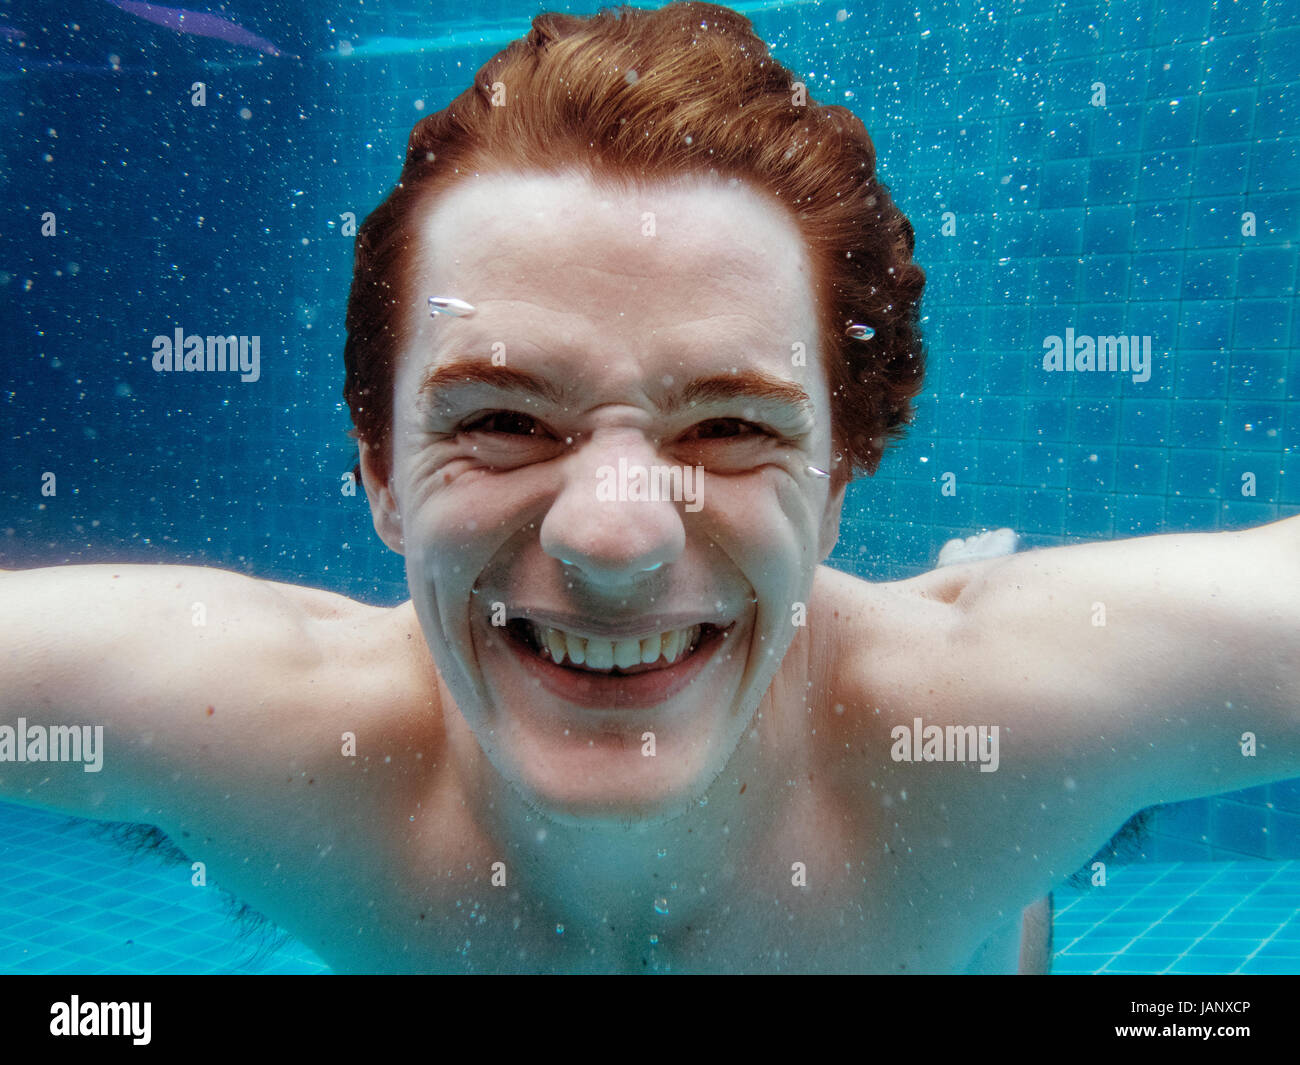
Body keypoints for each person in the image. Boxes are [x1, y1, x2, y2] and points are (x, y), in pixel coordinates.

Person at [2, 2, 1296, 974]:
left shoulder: (1001, 715)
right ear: (381, 474)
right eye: (505, 419)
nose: (614, 535)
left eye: (730, 425)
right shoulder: (248, 722)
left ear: (838, 485)